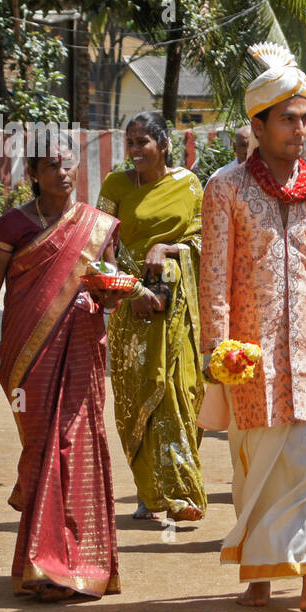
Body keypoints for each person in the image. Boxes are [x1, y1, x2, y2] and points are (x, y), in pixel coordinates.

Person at [202, 42, 306, 612]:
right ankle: (258, 575)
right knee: (256, 462)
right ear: (259, 124)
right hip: (252, 354)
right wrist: (216, 349)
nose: (300, 129)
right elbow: (214, 275)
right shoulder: (226, 187)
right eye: (288, 119)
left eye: (304, 119)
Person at [0, 132, 129, 600]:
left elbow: (109, 286)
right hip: (28, 358)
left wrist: (112, 296)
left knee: (75, 447)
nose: (64, 172)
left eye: (69, 163)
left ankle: (58, 566)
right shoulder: (11, 227)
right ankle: (46, 560)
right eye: (52, 165)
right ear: (34, 175)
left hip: (82, 349)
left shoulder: (98, 225)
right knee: (42, 449)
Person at [97, 112, 206, 523]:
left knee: (181, 389)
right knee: (139, 390)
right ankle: (149, 492)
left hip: (178, 308)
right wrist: (129, 287)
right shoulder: (116, 184)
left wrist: (164, 249)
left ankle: (180, 492)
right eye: (130, 142)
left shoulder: (188, 184)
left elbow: (199, 239)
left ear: (163, 145)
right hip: (131, 305)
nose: (134, 149)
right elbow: (102, 238)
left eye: (143, 141)